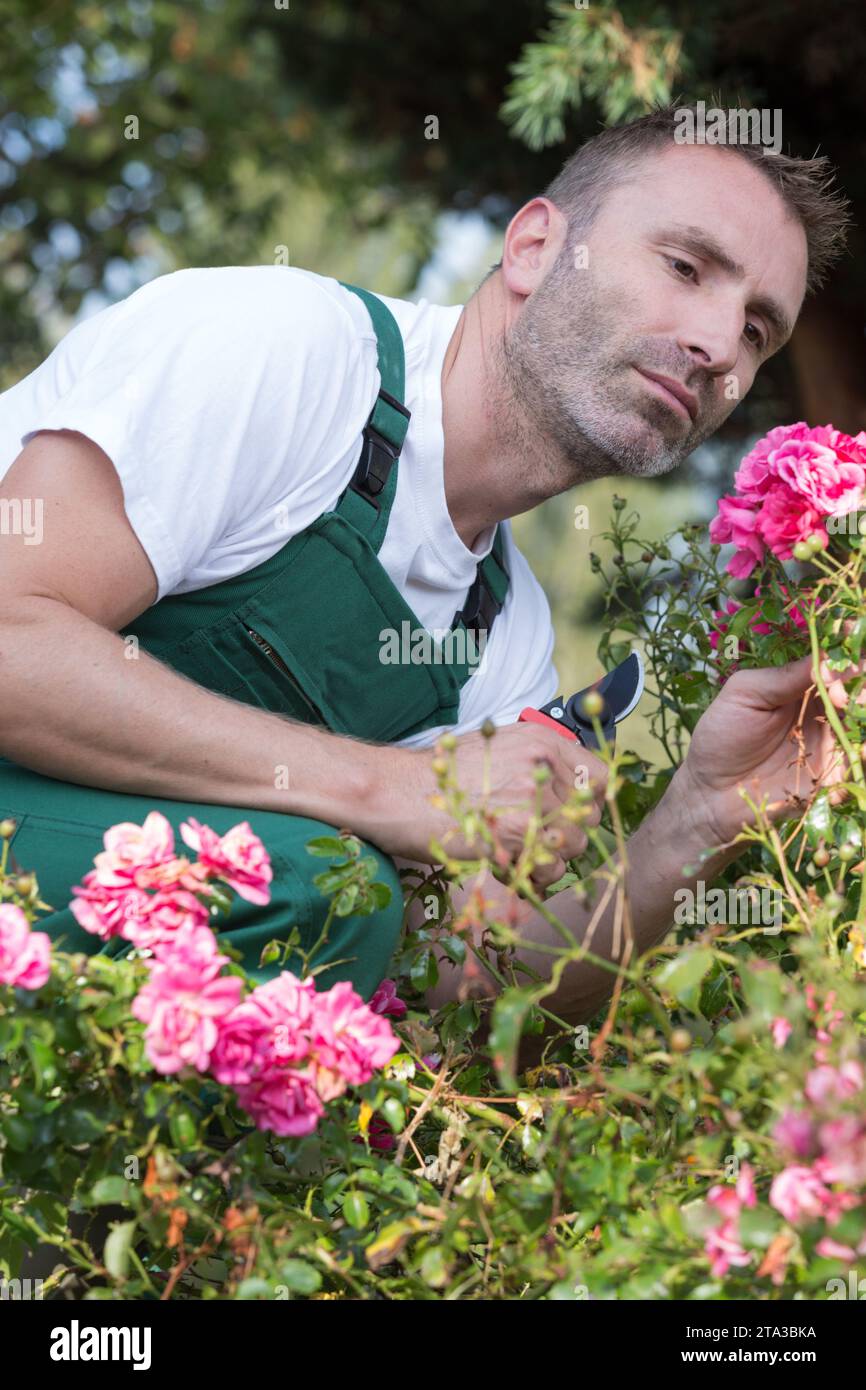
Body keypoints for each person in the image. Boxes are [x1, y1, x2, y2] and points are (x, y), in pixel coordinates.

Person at [0, 104, 851, 1023]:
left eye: (759, 332)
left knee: (347, 916)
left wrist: (700, 814)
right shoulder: (286, 352)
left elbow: (465, 983)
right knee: (318, 894)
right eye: (685, 268)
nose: (719, 348)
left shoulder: (503, 629)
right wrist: (390, 790)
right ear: (531, 247)